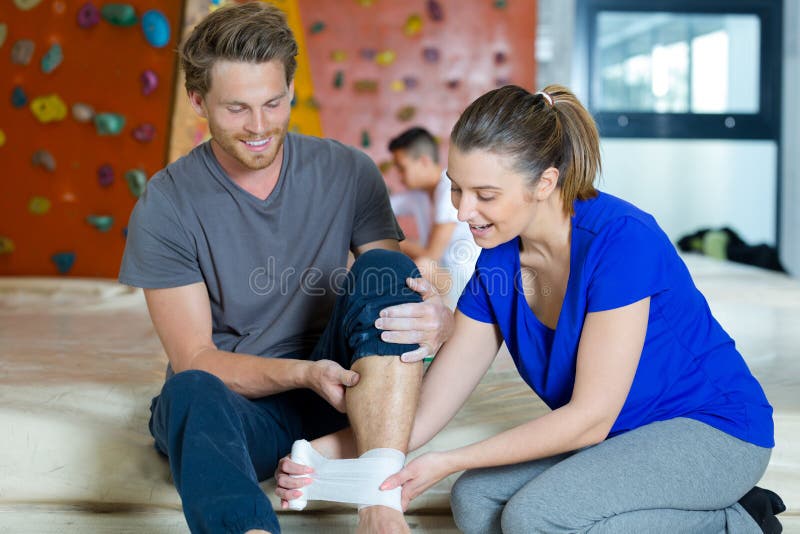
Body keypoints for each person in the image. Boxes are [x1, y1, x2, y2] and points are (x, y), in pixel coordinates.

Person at [276, 85, 785, 533]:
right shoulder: (498, 261)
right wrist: (314, 458)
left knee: (536, 516)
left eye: (485, 194)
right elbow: (427, 411)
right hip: (620, 442)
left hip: (711, 429)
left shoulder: (622, 241)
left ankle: (735, 521)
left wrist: (449, 460)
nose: (462, 210)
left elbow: (589, 419)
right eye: (456, 187)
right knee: (474, 501)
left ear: (544, 183)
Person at [118, 3, 453, 533]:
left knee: (387, 265)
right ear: (198, 101)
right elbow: (196, 356)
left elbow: (394, 291)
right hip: (241, 406)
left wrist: (439, 318)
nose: (258, 127)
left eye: (273, 103)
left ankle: (379, 500)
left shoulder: (349, 171)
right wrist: (303, 375)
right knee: (188, 390)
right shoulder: (166, 204)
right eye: (236, 109)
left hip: (343, 388)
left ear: (292, 89)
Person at [388, 127, 480, 304]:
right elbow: (382, 205)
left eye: (402, 168)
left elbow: (431, 255)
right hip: (444, 279)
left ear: (423, 161)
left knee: (423, 266)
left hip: (467, 282)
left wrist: (392, 239)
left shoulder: (449, 188)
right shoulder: (419, 195)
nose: (399, 176)